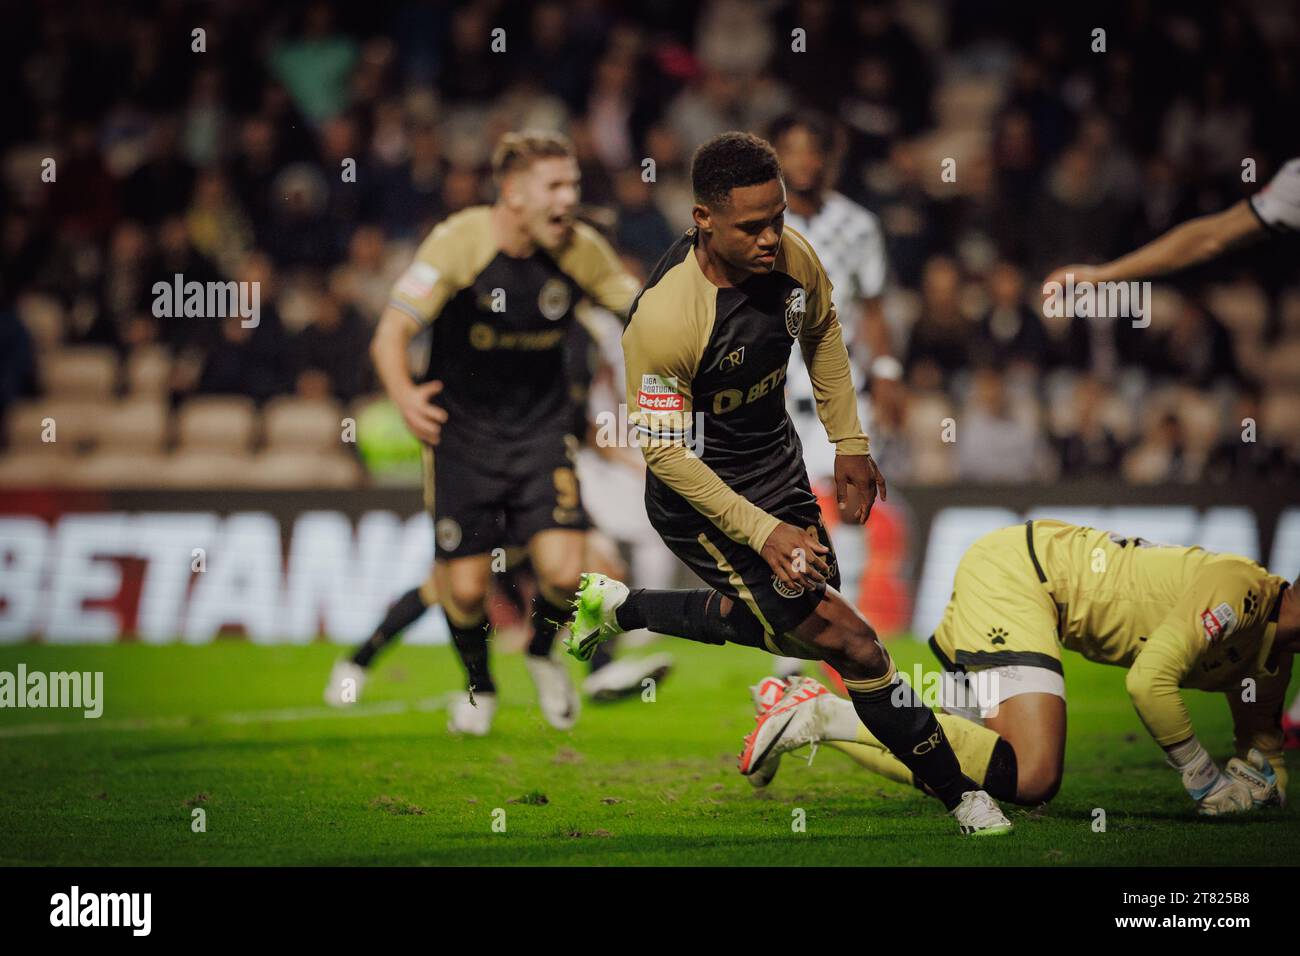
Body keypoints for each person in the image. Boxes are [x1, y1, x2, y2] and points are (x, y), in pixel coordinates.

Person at [565, 131, 1011, 836]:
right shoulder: (664, 318)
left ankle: (626, 608)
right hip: (698, 495)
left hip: (775, 462)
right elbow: (666, 455)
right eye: (753, 226)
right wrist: (762, 530)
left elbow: (824, 332)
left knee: (806, 624)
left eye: (777, 218)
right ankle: (963, 798)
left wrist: (850, 443)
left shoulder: (792, 257)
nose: (772, 237)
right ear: (703, 220)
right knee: (853, 642)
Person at [367, 129, 640, 735]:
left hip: (542, 434)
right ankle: (479, 685)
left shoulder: (581, 249)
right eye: (555, 186)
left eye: (574, 184)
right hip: (462, 439)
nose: (570, 198)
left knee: (565, 575)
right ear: (514, 194)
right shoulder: (459, 242)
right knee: (465, 591)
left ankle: (542, 652)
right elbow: (390, 332)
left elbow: (643, 313)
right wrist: (404, 395)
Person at [742, 520, 1294, 818]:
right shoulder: (1240, 591)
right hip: (1022, 578)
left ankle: (815, 716)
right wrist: (1205, 781)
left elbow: (1264, 754)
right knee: (1033, 774)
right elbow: (1149, 682)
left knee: (964, 768)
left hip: (1019, 580)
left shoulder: (1272, 656)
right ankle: (817, 712)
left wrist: (1265, 783)